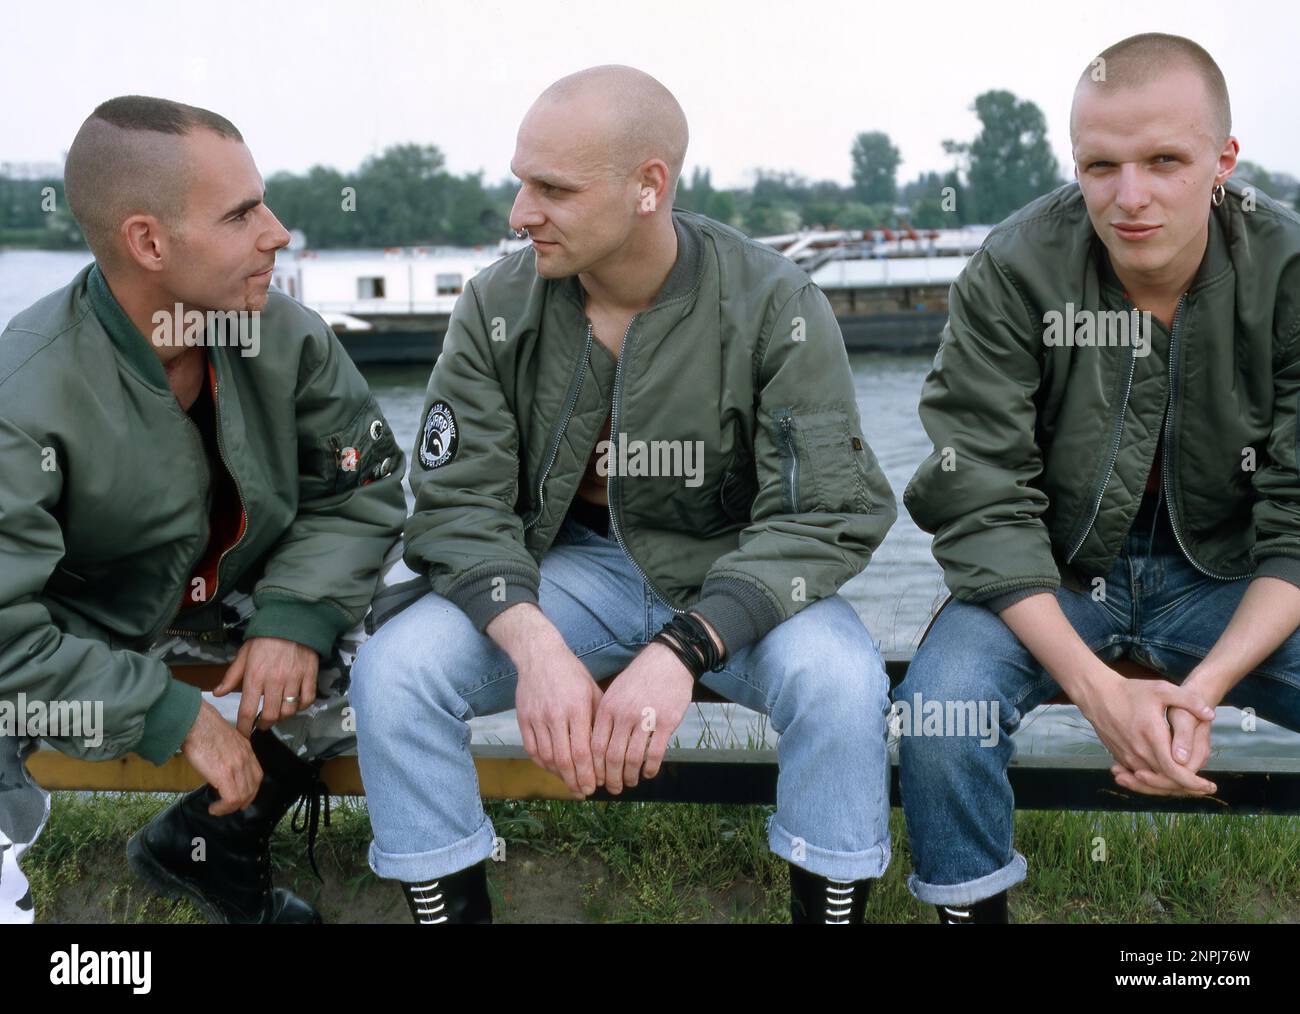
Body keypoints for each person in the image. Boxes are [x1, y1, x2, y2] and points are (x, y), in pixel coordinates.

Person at [350, 65, 898, 924]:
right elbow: (458, 502)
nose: (520, 213)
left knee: (840, 680)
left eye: (554, 189)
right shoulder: (497, 302)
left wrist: (686, 647)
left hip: (738, 583)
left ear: (650, 187)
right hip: (566, 575)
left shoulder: (775, 302)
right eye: (521, 183)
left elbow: (826, 514)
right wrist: (533, 646)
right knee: (395, 668)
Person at [899, 33, 1300, 923]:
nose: (1130, 197)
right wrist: (1098, 690)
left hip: (1231, 578)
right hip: (1052, 574)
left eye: (1165, 161)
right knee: (939, 716)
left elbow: (1297, 525)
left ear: (1223, 161)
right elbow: (980, 497)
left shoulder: (1288, 271)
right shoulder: (1013, 267)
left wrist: (1203, 691)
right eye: (1100, 165)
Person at [0, 96, 409, 924]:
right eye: (241, 214)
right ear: (149, 242)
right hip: (85, 631)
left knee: (418, 619)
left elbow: (361, 489)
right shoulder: (26, 391)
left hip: (241, 606)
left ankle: (218, 840)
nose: (278, 230)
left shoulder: (285, 335)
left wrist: (297, 614)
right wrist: (169, 712)